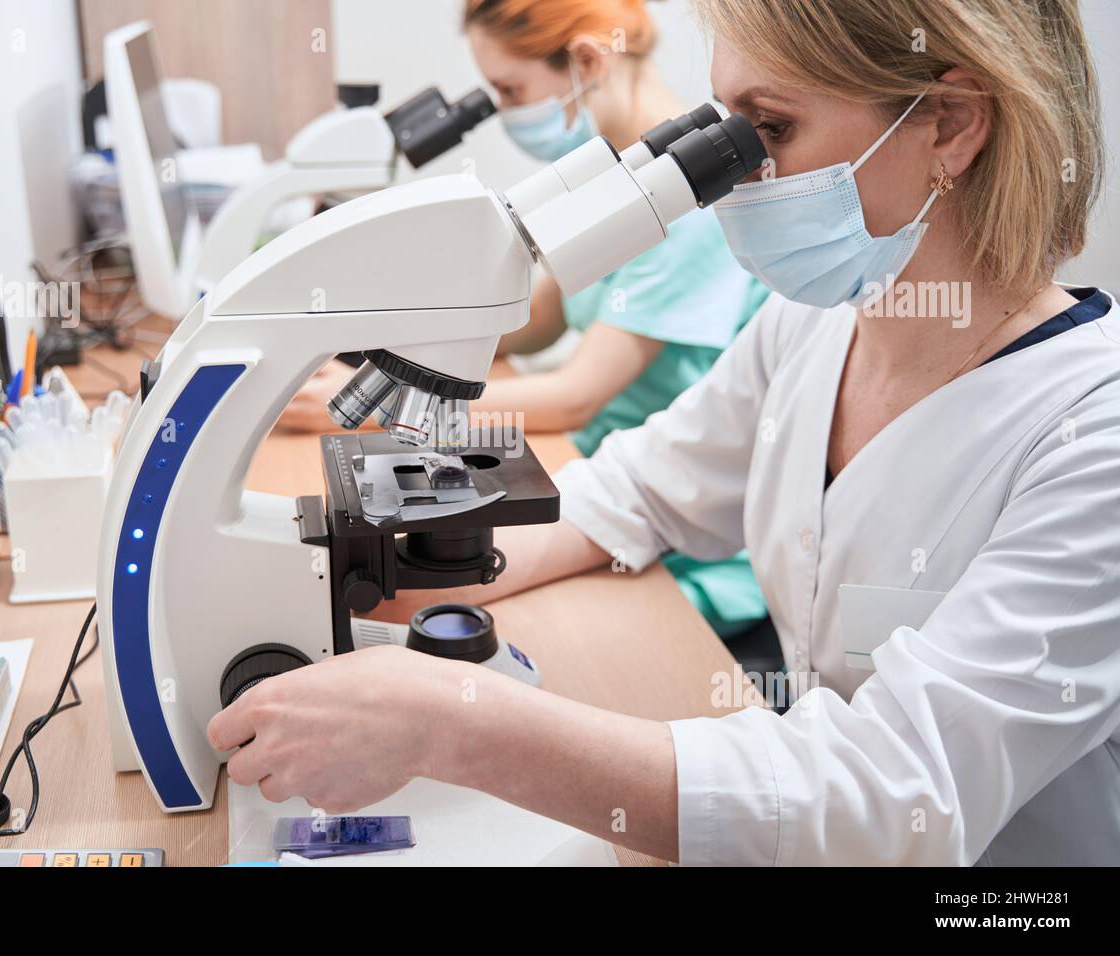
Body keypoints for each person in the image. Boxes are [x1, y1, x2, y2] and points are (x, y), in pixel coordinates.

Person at [210, 0, 1118, 865]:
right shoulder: (818, 326)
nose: (731, 180)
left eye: (770, 130)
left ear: (952, 123)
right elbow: (639, 487)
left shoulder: (1092, 439)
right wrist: (375, 564)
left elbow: (894, 796)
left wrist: (453, 718)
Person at [280, 0, 770, 637]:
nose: (503, 112)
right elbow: (539, 317)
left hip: (677, 527)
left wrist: (387, 412)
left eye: (510, 90)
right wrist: (392, 349)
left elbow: (575, 397)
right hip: (600, 472)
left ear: (587, 60)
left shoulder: (685, 205)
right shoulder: (622, 171)